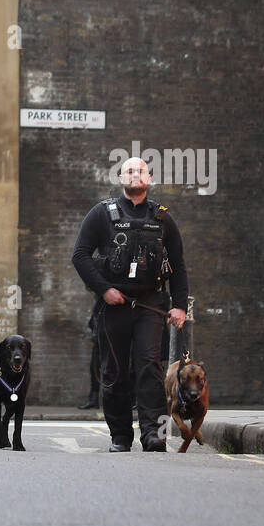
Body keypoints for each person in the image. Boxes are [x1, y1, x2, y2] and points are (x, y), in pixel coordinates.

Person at [72, 156, 188, 453]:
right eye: (129, 171)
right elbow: (81, 255)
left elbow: (177, 264)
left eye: (141, 171)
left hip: (150, 303)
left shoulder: (163, 218)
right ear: (120, 178)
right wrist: (104, 289)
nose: (135, 175)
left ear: (148, 179)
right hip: (114, 304)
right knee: (115, 371)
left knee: (150, 366)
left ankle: (153, 435)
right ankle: (120, 436)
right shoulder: (101, 214)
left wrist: (180, 307)